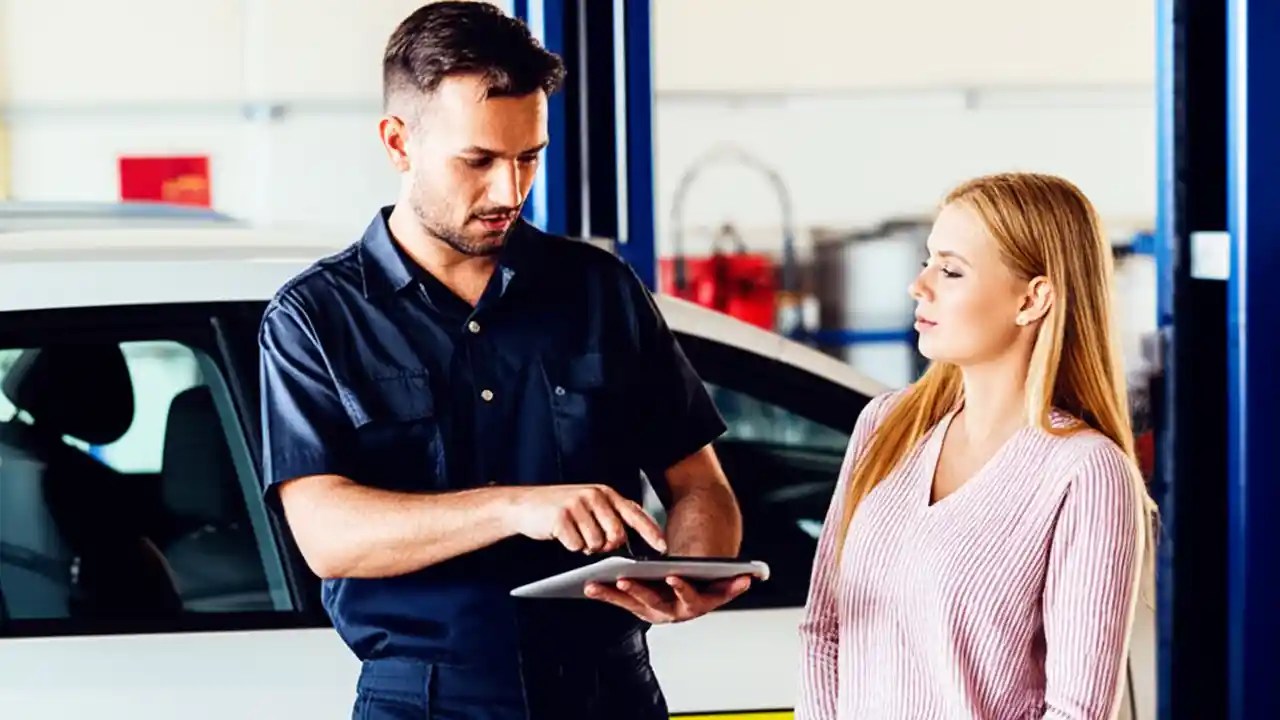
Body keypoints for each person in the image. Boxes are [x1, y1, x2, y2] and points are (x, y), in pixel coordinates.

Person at [256, 3, 750, 718]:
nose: (510, 191)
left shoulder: (597, 290)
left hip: (608, 690)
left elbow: (701, 486)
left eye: (529, 157)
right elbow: (328, 537)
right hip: (427, 699)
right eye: (478, 161)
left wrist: (688, 569)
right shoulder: (314, 318)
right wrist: (516, 507)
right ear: (398, 143)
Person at [797, 172, 1158, 720]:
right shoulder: (886, 426)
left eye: (951, 269)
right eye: (926, 261)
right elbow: (824, 630)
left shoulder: (1085, 473)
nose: (920, 286)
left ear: (1032, 300)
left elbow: (1076, 712)